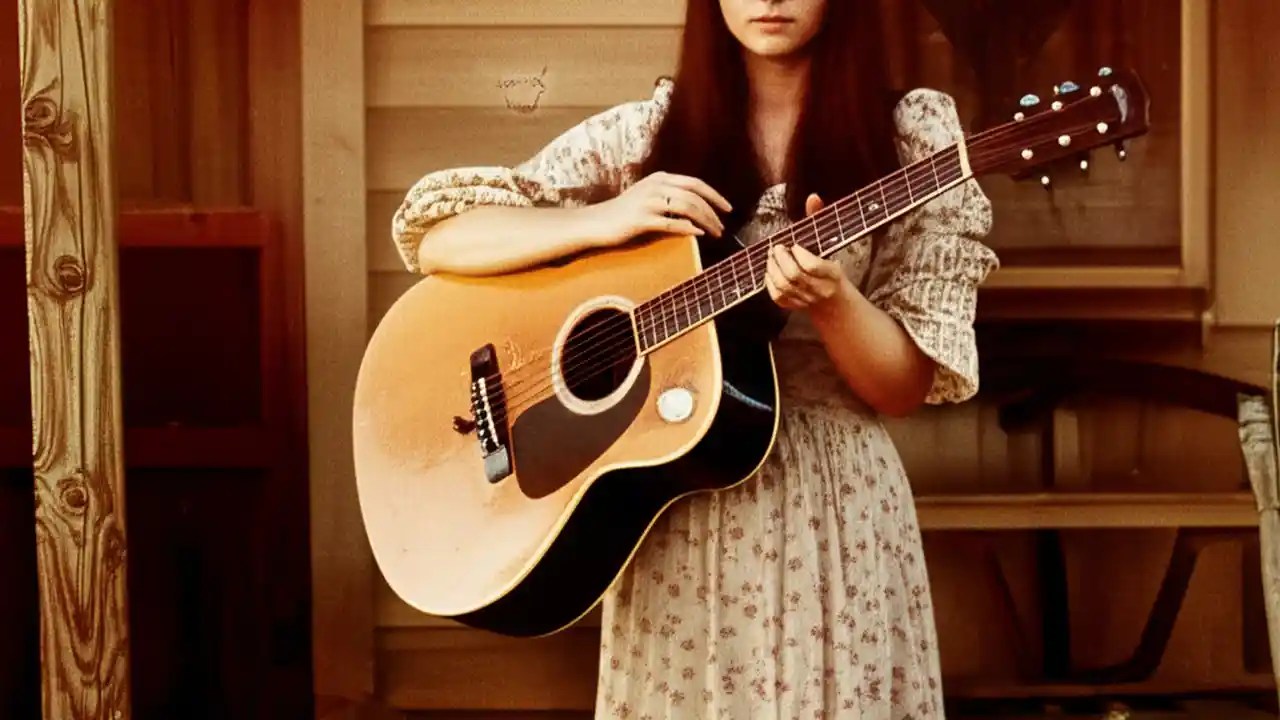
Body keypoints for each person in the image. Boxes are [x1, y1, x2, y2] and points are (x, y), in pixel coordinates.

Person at [390, 0, 997, 716]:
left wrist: (833, 303)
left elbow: (902, 388)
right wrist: (603, 218)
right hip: (675, 505)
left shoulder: (912, 137)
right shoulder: (648, 134)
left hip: (836, 508)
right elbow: (438, 233)